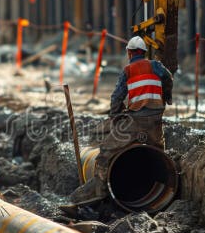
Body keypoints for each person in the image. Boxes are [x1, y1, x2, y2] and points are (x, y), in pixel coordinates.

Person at [62, 36, 173, 212]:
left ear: (129, 53)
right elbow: (168, 78)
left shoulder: (128, 71)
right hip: (155, 118)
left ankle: (101, 191)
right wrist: (167, 97)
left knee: (106, 150)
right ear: (144, 52)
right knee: (158, 148)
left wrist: (115, 116)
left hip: (136, 119)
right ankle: (166, 180)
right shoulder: (156, 66)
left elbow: (116, 97)